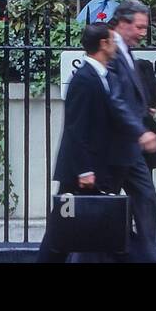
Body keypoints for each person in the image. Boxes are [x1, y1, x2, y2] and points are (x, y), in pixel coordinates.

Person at [37, 21, 121, 263]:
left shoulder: (101, 75)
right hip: (79, 172)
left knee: (72, 228)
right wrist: (84, 170)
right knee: (60, 231)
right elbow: (76, 128)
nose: (116, 45)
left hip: (90, 168)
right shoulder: (84, 79)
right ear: (103, 44)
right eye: (113, 41)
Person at [105, 0, 156, 262]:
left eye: (144, 27)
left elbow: (126, 93)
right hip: (114, 145)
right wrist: (140, 131)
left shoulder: (126, 50)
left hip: (130, 148)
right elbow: (114, 99)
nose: (142, 33)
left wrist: (144, 108)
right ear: (122, 23)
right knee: (104, 205)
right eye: (139, 27)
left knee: (146, 199)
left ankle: (147, 254)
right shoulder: (109, 50)